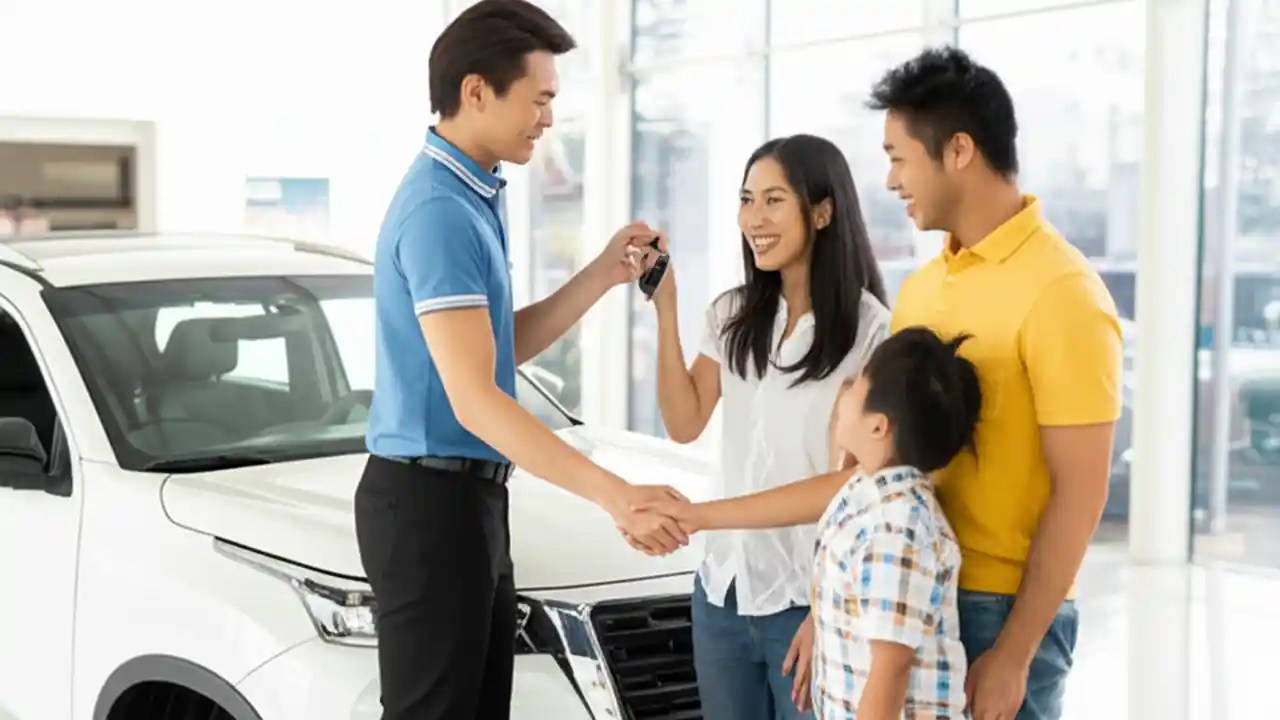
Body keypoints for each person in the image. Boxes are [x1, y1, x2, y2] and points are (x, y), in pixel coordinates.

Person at [357, 2, 689, 719]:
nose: (547, 119)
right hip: (428, 507)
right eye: (539, 100)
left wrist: (602, 274)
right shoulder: (441, 210)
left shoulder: (471, 192)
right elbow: (477, 398)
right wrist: (614, 494)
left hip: (466, 500)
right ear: (476, 91)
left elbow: (496, 347)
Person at [868, 47, 1122, 720]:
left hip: (998, 610)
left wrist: (1014, 651)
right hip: (906, 593)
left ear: (957, 150)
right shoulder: (921, 289)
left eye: (898, 156)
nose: (891, 179)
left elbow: (1082, 489)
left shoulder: (1063, 292)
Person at [641, 133, 890, 719]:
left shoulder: (871, 330)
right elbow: (683, 422)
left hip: (808, 603)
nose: (753, 218)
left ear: (823, 211)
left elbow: (851, 487)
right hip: (722, 593)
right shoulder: (732, 315)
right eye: (746, 199)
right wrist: (666, 305)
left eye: (773, 200)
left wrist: (826, 610)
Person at [638, 326, 983, 718]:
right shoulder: (866, 493)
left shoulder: (896, 527)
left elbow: (891, 671)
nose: (844, 390)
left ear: (877, 427)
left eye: (857, 385)